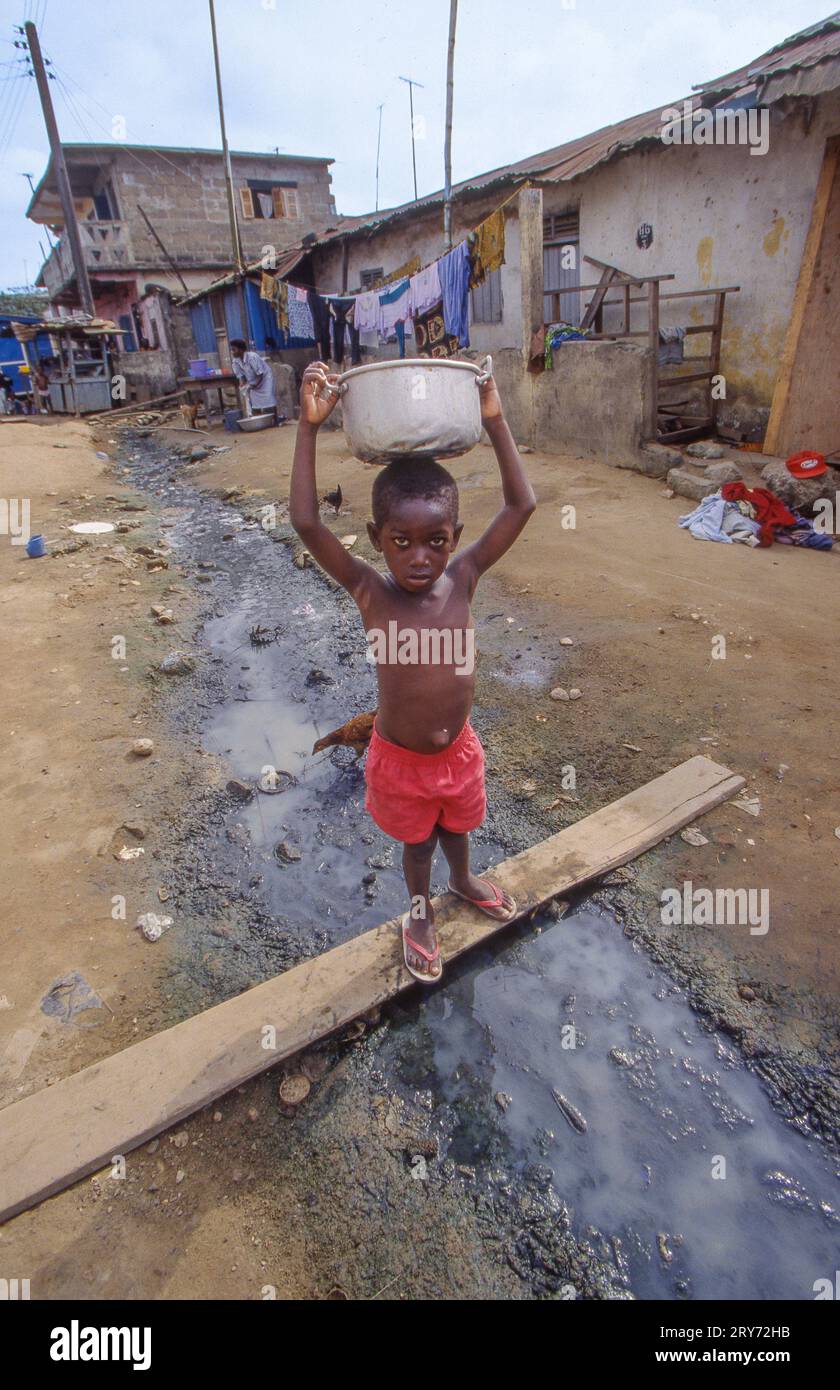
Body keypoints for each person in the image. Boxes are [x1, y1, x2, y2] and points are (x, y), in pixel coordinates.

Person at [290, 361, 536, 984]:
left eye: (436, 539)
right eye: (402, 541)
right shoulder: (371, 592)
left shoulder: (465, 578)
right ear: (377, 537)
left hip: (457, 752)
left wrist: (494, 415)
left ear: (455, 537)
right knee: (417, 844)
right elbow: (307, 523)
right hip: (402, 760)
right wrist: (308, 427)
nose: (420, 558)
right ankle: (420, 912)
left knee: (457, 829)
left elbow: (522, 503)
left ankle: (464, 881)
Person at [229, 338, 276, 419]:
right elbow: (241, 377)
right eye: (231, 350)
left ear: (240, 350)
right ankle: (259, 419)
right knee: (254, 402)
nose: (232, 352)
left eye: (234, 350)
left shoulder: (252, 357)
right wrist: (242, 386)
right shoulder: (235, 362)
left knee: (268, 399)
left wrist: (253, 385)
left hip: (265, 379)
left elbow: (260, 374)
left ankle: (273, 419)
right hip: (253, 381)